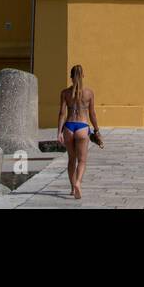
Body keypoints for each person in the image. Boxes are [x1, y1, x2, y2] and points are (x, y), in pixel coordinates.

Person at [57, 64, 100, 200]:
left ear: (71, 76)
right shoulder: (89, 93)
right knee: (82, 160)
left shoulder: (65, 93)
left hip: (69, 127)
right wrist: (97, 130)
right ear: (83, 76)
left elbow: (62, 113)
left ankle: (71, 188)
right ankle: (78, 183)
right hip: (82, 126)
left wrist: (59, 132)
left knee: (71, 159)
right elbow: (92, 114)